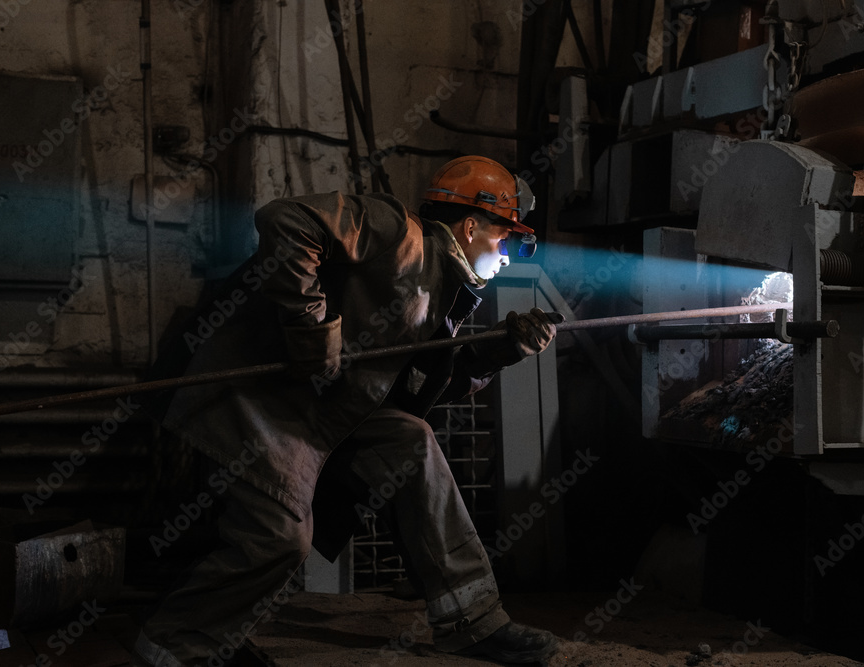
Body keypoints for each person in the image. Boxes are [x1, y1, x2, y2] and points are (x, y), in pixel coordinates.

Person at [132, 155, 562, 666]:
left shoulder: (441, 290)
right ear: (472, 227)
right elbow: (283, 221)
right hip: (260, 401)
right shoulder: (396, 232)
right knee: (279, 537)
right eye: (507, 239)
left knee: (410, 441)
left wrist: (500, 349)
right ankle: (175, 643)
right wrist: (312, 327)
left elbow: (420, 386)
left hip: (324, 415)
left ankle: (472, 622)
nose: (510, 256)